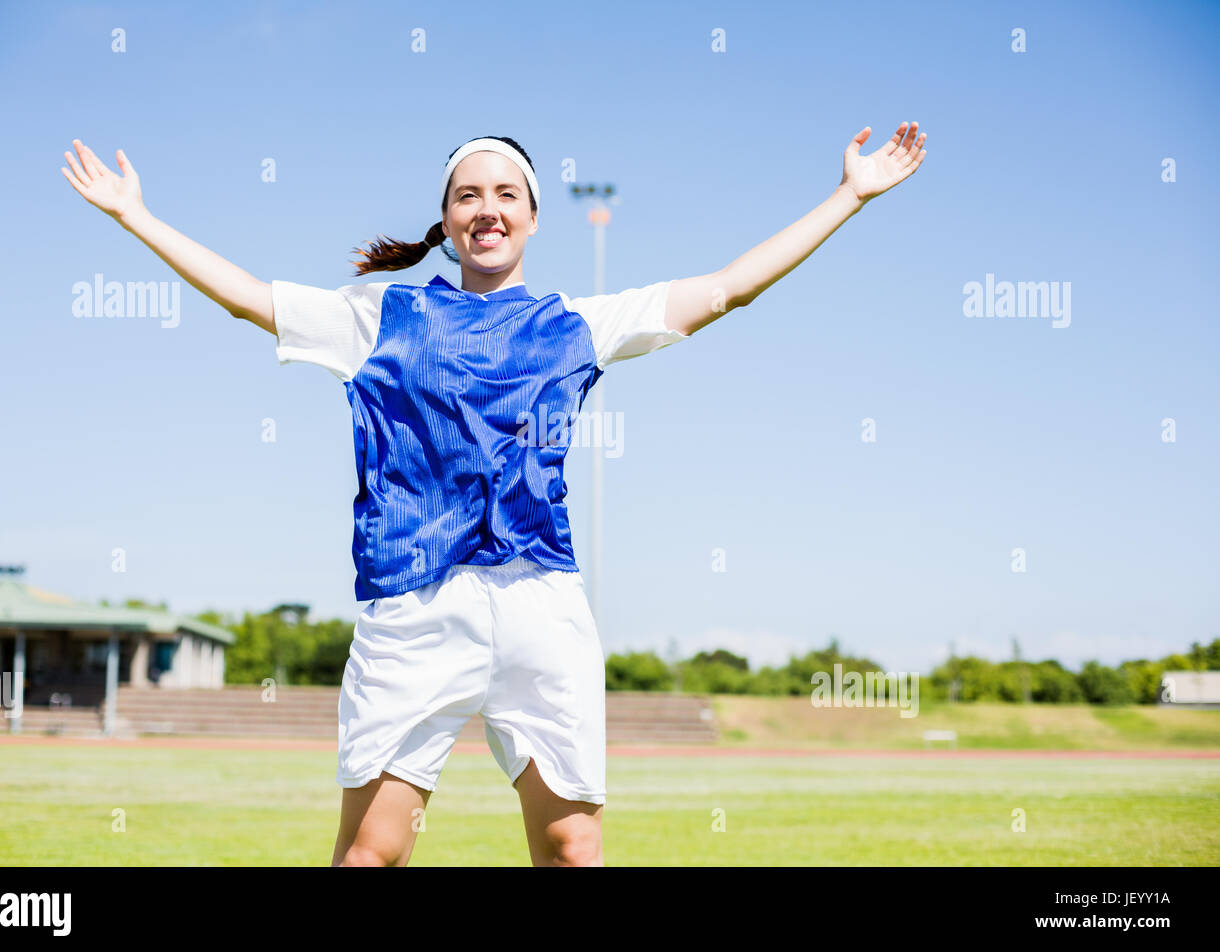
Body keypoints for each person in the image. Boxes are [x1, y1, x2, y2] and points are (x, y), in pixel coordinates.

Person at [60, 124, 927, 866]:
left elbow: (726, 288)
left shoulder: (575, 324)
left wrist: (849, 196)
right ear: (446, 219)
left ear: (533, 217)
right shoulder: (378, 317)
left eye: (507, 193)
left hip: (540, 604)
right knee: (370, 854)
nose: (488, 208)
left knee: (572, 852)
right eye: (468, 194)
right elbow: (248, 299)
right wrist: (136, 215)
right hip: (412, 610)